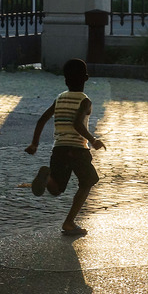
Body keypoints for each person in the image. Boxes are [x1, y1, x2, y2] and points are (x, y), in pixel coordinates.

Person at [25, 58, 106, 237]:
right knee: (88, 182)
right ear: (86, 78)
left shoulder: (59, 99)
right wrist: (93, 140)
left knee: (56, 188)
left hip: (59, 148)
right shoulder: (85, 101)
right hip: (78, 149)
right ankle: (69, 223)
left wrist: (34, 144)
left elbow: (41, 120)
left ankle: (47, 179)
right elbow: (77, 124)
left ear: (65, 80)